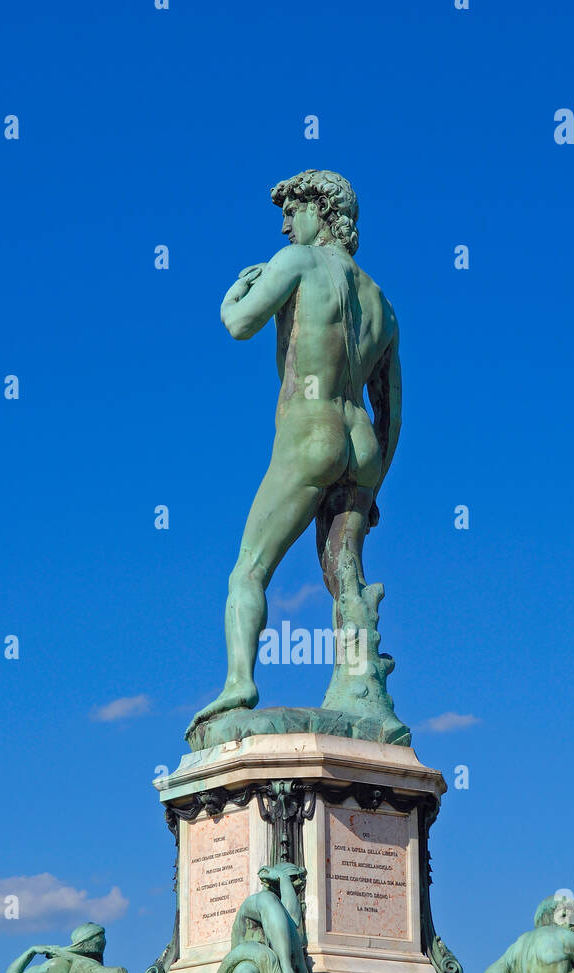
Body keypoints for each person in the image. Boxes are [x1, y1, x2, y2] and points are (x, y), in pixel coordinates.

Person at [186, 169, 402, 740]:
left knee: (248, 568)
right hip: (363, 445)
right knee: (347, 583)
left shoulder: (297, 263)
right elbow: (393, 411)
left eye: (293, 211)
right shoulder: (380, 301)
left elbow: (238, 323)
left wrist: (241, 283)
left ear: (320, 211)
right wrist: (374, 486)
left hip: (310, 436)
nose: (285, 225)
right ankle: (364, 694)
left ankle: (238, 683)